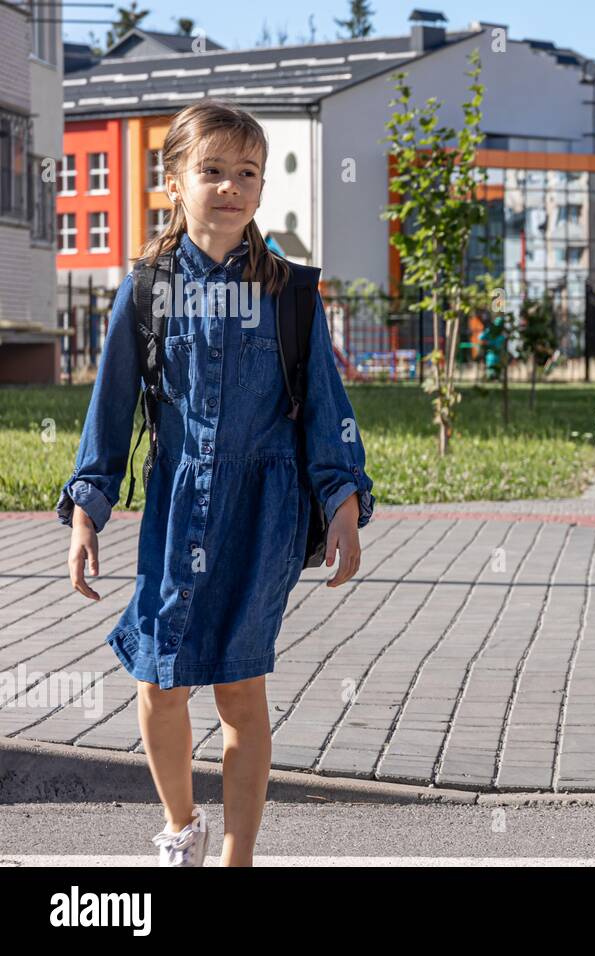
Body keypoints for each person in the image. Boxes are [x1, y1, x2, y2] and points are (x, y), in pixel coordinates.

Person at [58, 99, 376, 866]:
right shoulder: (143, 293)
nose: (230, 186)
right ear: (173, 182)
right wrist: (86, 512)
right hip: (176, 511)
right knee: (161, 681)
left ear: (261, 190)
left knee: (239, 691)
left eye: (247, 173)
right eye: (212, 171)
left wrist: (342, 502)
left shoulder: (292, 295)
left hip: (260, 516)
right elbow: (109, 411)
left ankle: (238, 856)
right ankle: (181, 826)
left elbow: (327, 411)